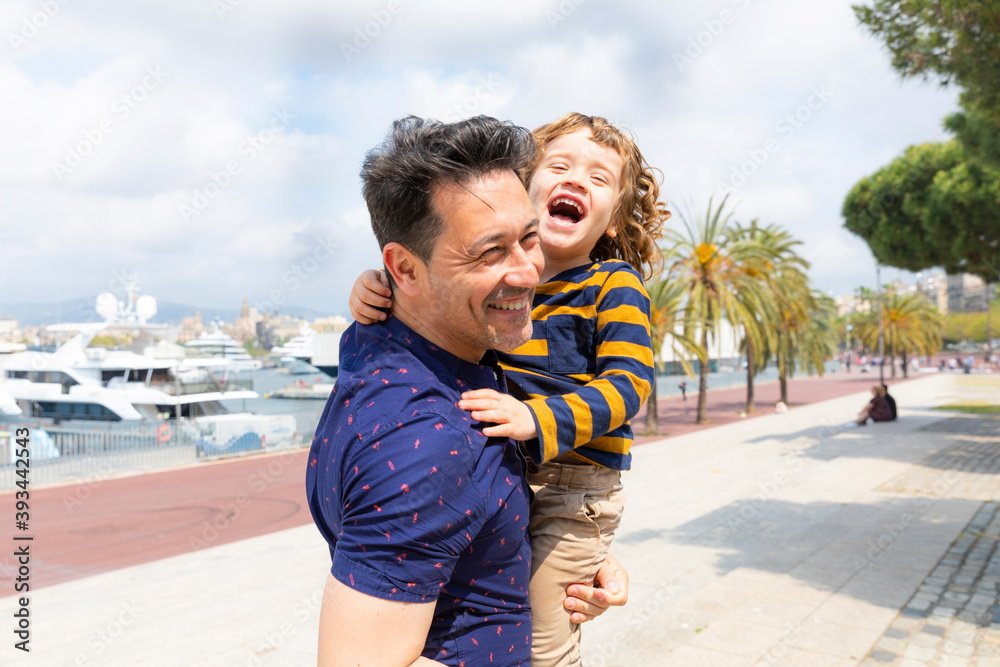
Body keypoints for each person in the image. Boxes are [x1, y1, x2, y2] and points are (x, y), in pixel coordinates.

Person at [307, 116, 627, 667]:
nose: (529, 272)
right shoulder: (430, 445)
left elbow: (445, 530)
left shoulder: (375, 337)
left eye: (528, 238)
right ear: (403, 267)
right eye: (490, 252)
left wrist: (559, 551)